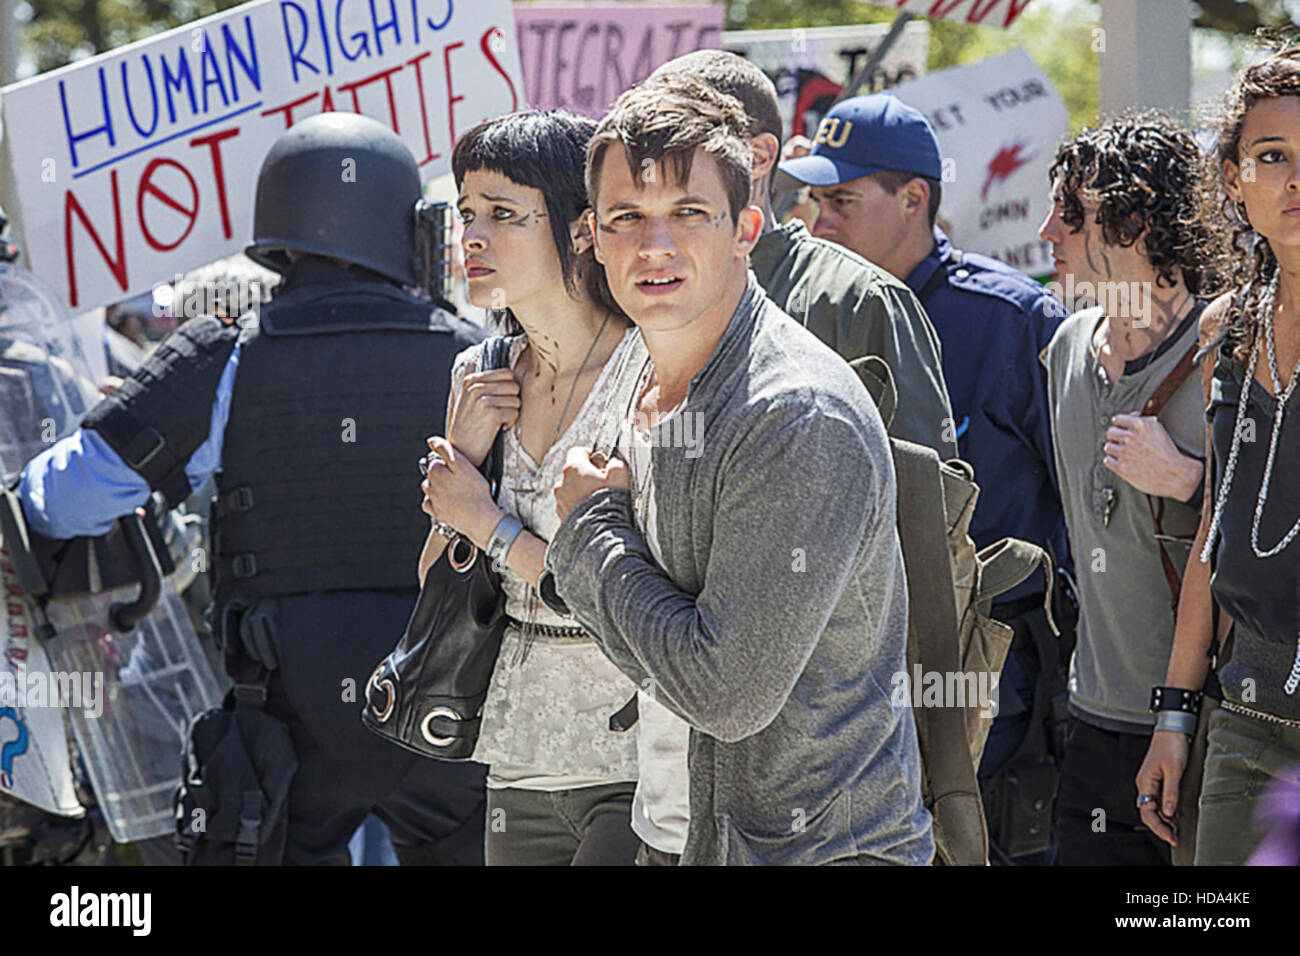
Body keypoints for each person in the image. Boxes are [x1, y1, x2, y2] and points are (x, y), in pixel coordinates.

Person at [18, 112, 488, 866]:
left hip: (287, 725)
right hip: (452, 711)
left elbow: (59, 500)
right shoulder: (478, 354)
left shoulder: (225, 351)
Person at [545, 74, 933, 866]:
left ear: (746, 226)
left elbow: (727, 693)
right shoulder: (638, 374)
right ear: (592, 233)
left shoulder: (793, 413)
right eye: (628, 217)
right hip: (681, 837)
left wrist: (590, 531)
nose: (655, 245)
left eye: (689, 212)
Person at [780, 92, 1071, 863]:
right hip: (849, 665)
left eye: (842, 199)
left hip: (983, 666)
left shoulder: (1010, 318)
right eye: (814, 200)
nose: (820, 219)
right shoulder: (810, 310)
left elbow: (1079, 499)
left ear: (914, 200)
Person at [418, 109, 642, 866]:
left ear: (582, 230)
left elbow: (635, 599)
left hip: (637, 762)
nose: (472, 237)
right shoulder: (475, 372)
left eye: (503, 215)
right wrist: (466, 455)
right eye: (466, 213)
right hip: (517, 757)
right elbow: (432, 587)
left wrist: (487, 524)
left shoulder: (651, 372)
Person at [1136, 43, 1300, 866]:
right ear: (1234, 181)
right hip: (1244, 716)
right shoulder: (1225, 329)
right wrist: (1175, 714)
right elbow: (1215, 526)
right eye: (1272, 157)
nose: (1296, 180)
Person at [1037, 113, 1215, 865]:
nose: (1048, 231)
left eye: (1072, 216)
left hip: (1208, 733)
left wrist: (1193, 483)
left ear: (1137, 225)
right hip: (1091, 718)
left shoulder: (1228, 354)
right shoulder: (1066, 347)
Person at [650, 52, 956, 458]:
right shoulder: (635, 289)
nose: (651, 169)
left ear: (757, 157)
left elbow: (922, 502)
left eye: (679, 147)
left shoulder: (859, 300)